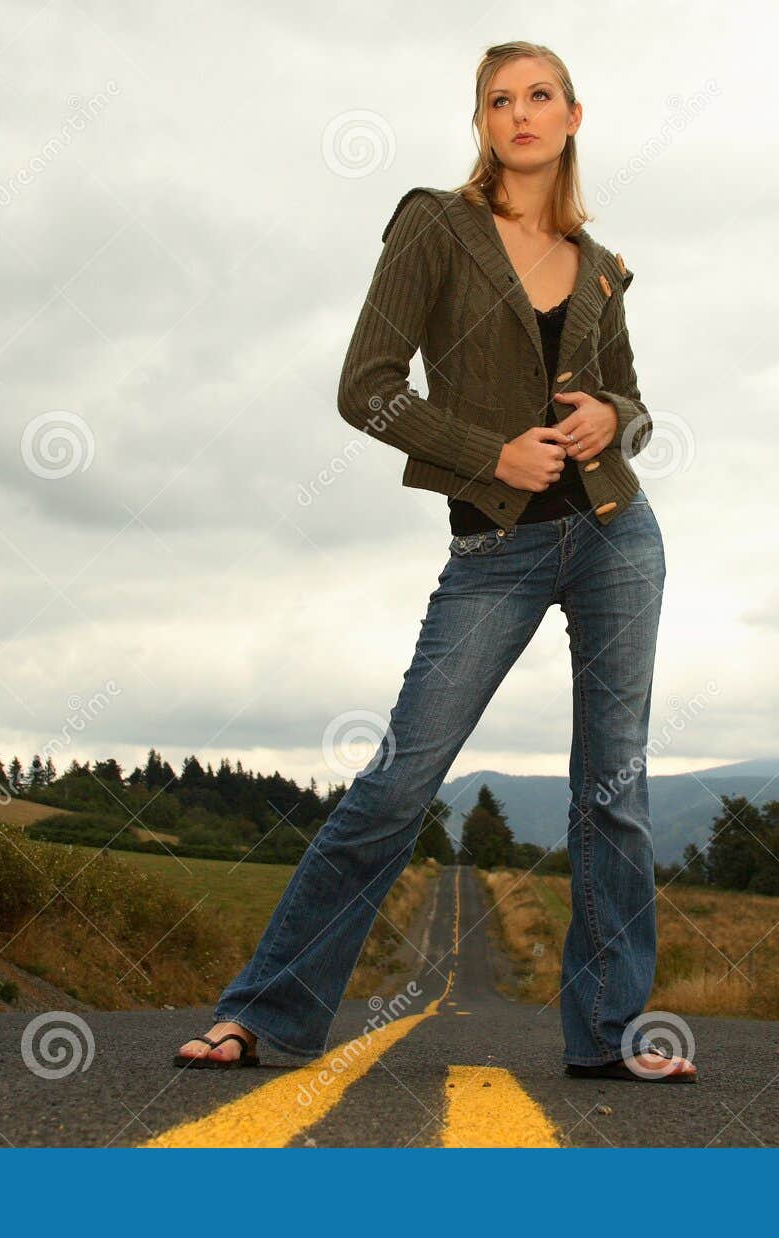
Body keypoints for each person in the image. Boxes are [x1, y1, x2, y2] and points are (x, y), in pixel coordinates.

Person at [174, 40, 694, 1083]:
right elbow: (366, 386)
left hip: (615, 538)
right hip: (493, 546)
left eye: (539, 95)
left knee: (612, 792)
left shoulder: (600, 264)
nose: (520, 114)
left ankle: (607, 1031)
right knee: (399, 780)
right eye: (499, 100)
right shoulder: (435, 227)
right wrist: (487, 451)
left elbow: (632, 406)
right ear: (482, 122)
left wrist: (611, 415)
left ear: (574, 117)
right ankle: (263, 1011)